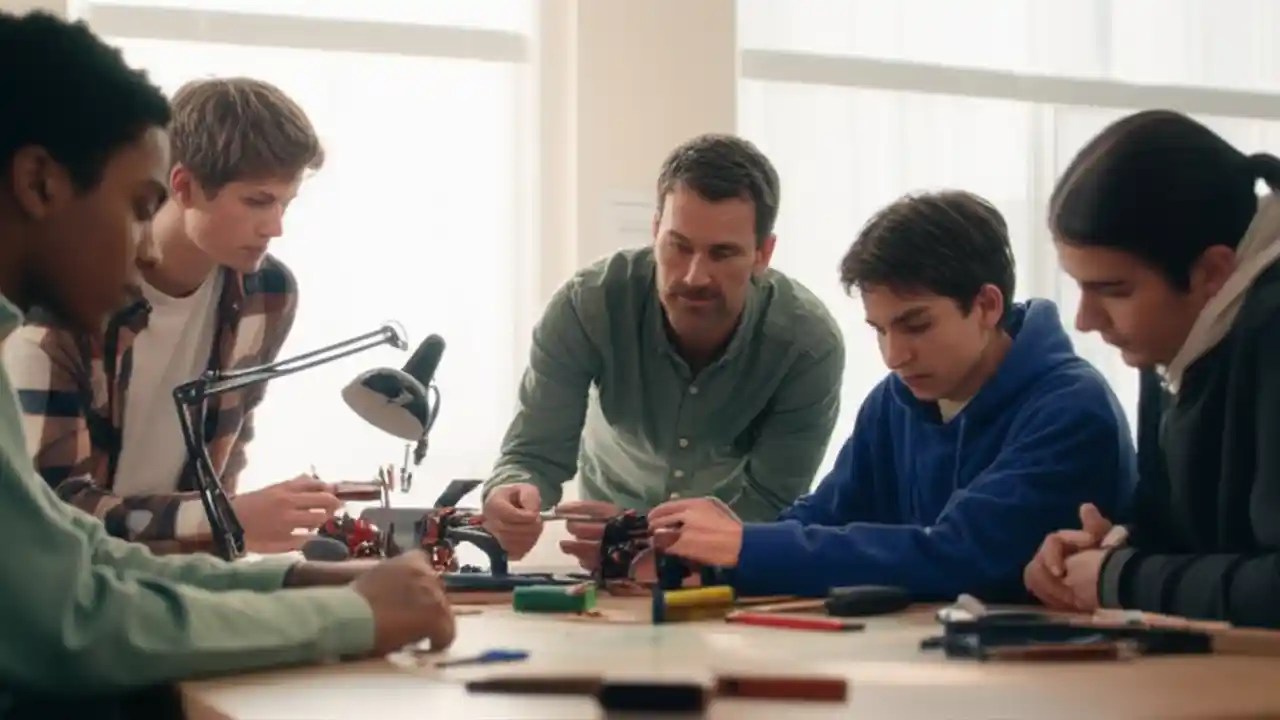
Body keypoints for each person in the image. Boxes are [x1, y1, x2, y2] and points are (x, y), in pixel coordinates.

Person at [0, 10, 453, 715]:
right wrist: (350, 615)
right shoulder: (40, 333)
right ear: (39, 183)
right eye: (139, 205)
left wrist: (292, 581)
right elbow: (72, 621)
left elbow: (77, 554)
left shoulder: (265, 294)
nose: (143, 250)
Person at [645, 190, 1137, 601]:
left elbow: (958, 557)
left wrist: (747, 549)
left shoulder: (1072, 410)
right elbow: (825, 516)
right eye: (879, 330)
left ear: (987, 305)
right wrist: (707, 557)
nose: (893, 356)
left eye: (915, 325)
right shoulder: (893, 400)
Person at [3, 74, 336, 555]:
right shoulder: (66, 298)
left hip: (166, 580)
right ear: (183, 186)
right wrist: (223, 518)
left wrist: (232, 533)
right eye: (258, 201)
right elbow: (49, 512)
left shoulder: (268, 294)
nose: (276, 226)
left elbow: (226, 457)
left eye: (286, 203)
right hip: (62, 584)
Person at [480, 133, 845, 567]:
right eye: (679, 246)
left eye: (722, 253)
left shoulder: (807, 346)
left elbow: (771, 500)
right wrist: (512, 496)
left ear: (763, 254)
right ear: (655, 232)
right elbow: (532, 454)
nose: (694, 276)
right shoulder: (587, 306)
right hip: (603, 557)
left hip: (719, 565)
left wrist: (658, 549)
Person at [1023, 110, 1280, 628]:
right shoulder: (1178, 339)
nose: (1085, 320)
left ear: (1212, 272)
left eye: (1113, 290)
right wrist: (1114, 546)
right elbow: (1187, 535)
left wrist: (1121, 578)